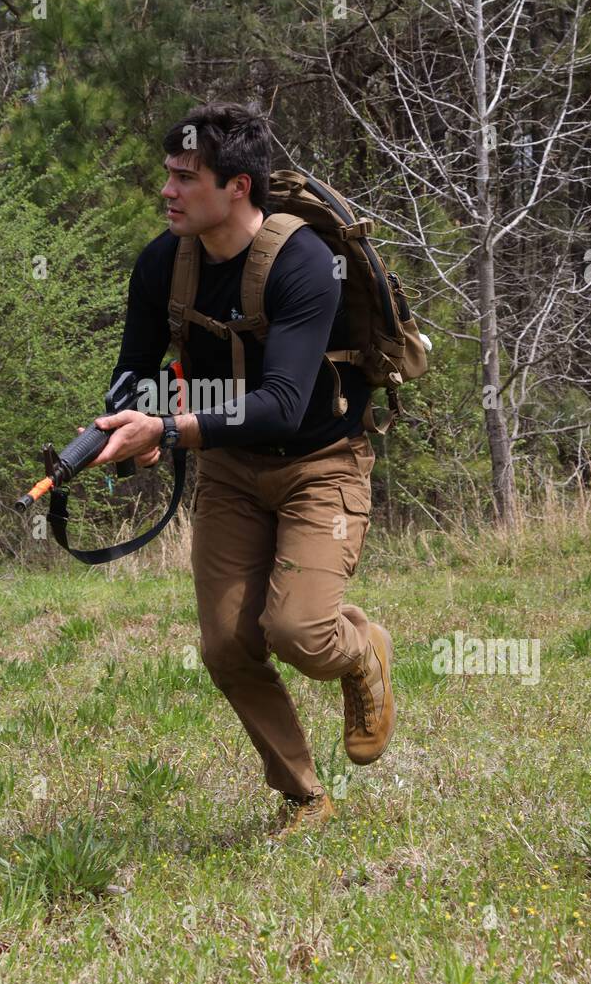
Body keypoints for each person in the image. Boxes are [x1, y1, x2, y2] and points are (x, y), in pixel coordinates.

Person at [85, 102, 394, 839]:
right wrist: (127, 428)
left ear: (238, 188)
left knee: (299, 630)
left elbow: (284, 404)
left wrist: (168, 427)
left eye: (186, 177)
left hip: (321, 463)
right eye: (167, 173)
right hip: (228, 467)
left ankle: (363, 651)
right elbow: (135, 374)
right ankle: (305, 798)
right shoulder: (163, 261)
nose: (167, 190)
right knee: (226, 645)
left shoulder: (306, 263)